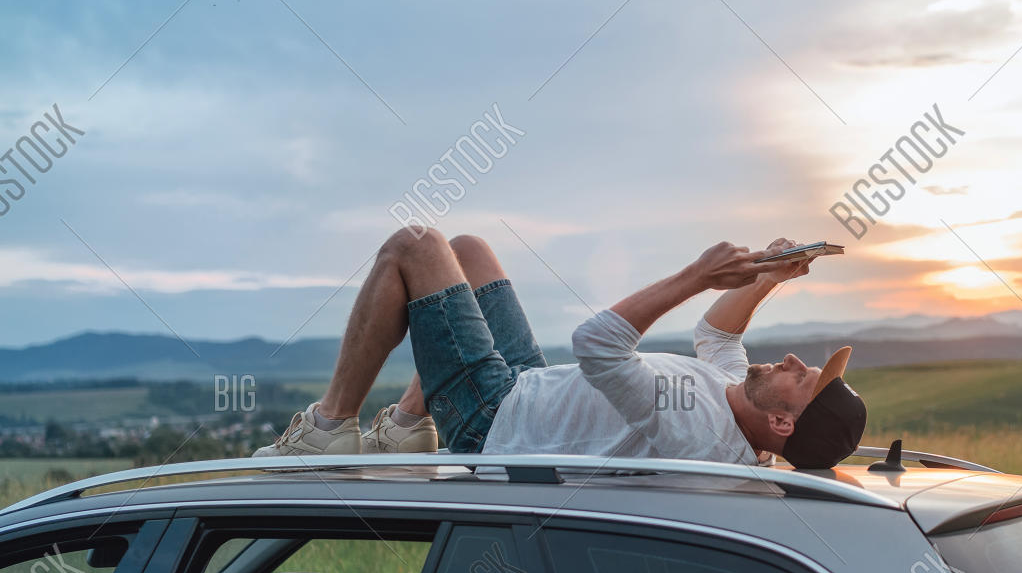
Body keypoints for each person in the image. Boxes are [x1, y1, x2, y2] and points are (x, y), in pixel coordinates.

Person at [254, 227, 867, 470]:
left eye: (803, 379)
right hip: (529, 389)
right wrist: (768, 277)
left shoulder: (698, 431)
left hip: (497, 422)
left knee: (415, 246)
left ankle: (327, 430)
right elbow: (718, 337)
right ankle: (410, 427)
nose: (793, 361)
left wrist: (697, 276)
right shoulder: (740, 407)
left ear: (783, 422)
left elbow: (597, 344)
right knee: (468, 251)